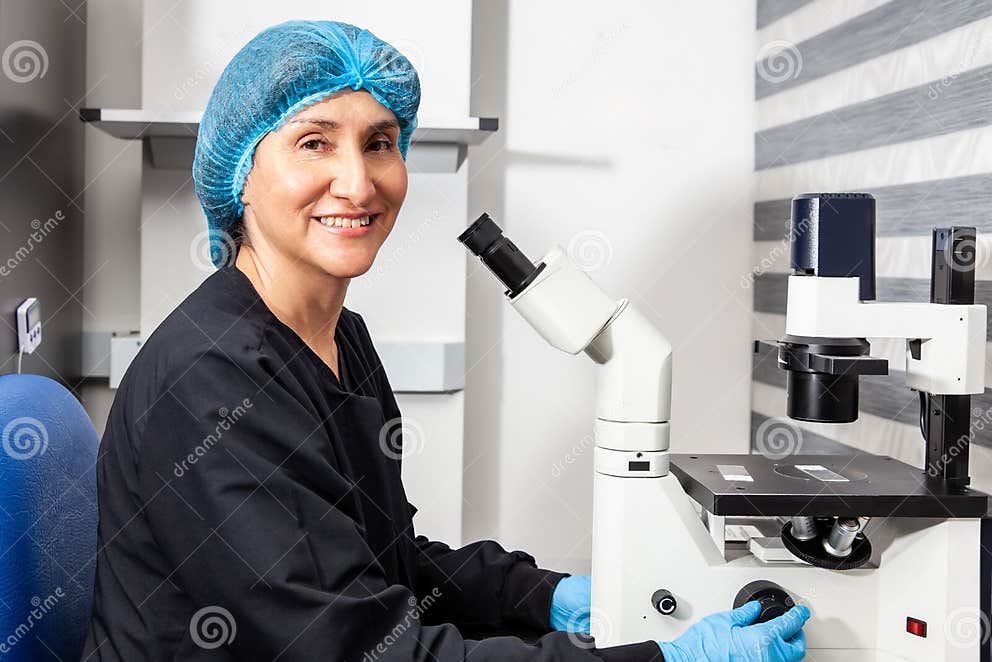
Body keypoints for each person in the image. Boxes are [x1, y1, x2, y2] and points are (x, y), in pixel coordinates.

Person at [81, 20, 810, 661]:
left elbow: (380, 564)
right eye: (314, 143)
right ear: (240, 172)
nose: (356, 182)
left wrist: (540, 596)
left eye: (380, 144)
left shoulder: (342, 341)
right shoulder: (215, 383)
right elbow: (360, 649)